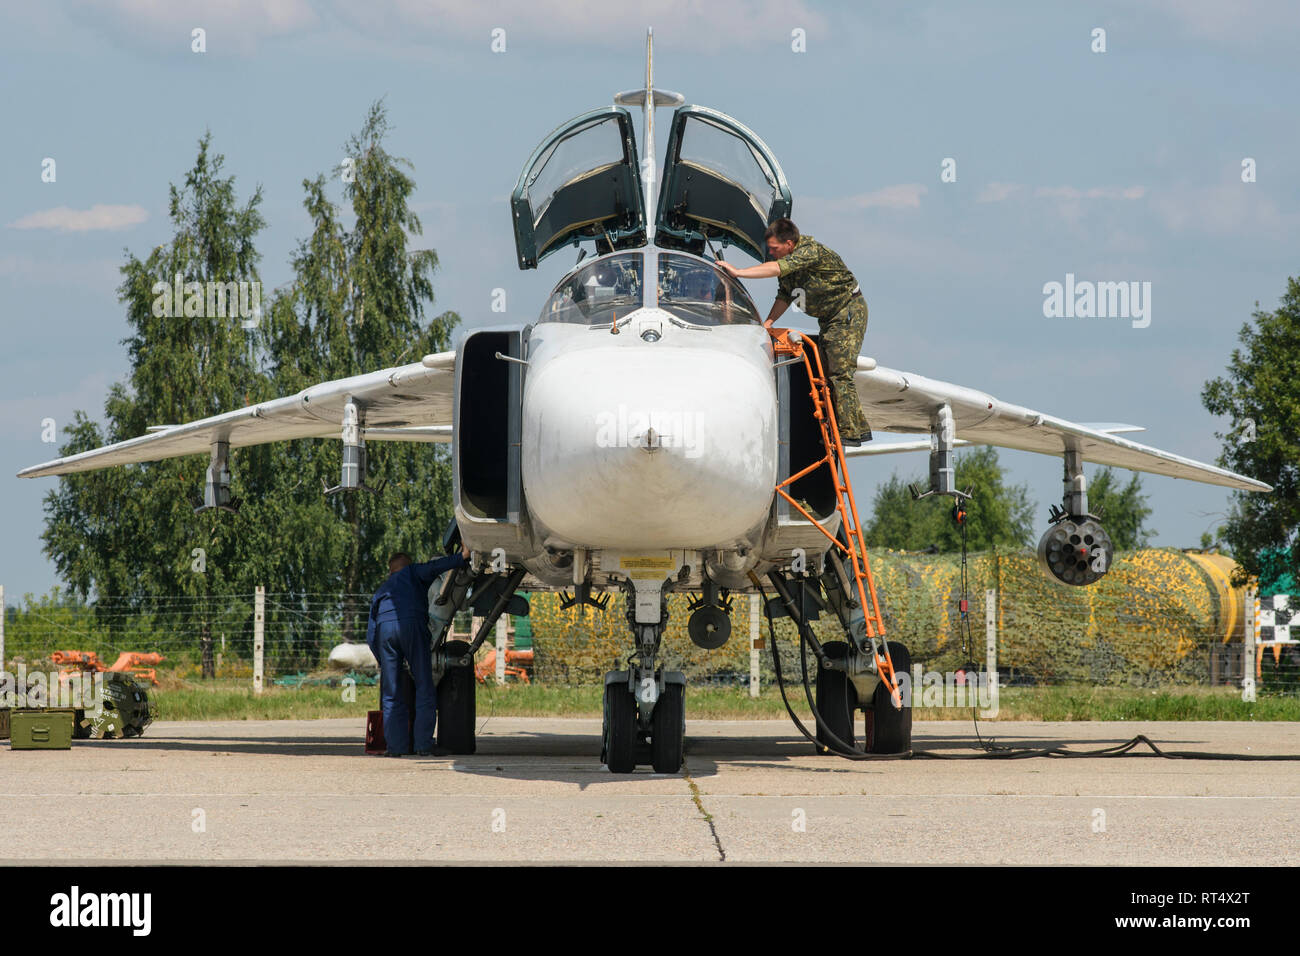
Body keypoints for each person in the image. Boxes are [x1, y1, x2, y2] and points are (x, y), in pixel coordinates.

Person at [716, 218, 872, 445]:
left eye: (774, 248)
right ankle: (854, 428)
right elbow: (785, 295)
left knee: (839, 371)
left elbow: (777, 268)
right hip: (829, 318)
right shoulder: (788, 264)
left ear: (789, 244)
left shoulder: (810, 251)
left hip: (847, 311)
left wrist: (738, 272)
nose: (771, 253)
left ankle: (850, 432)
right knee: (826, 371)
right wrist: (768, 323)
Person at [365, 544, 470, 756]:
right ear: (408, 565)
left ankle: (395, 748)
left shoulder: (382, 589)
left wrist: (382, 660)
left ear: (390, 571)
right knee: (424, 686)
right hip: (411, 626)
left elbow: (371, 631)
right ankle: (423, 745)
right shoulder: (413, 572)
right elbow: (436, 566)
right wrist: (462, 556)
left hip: (385, 632)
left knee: (391, 694)